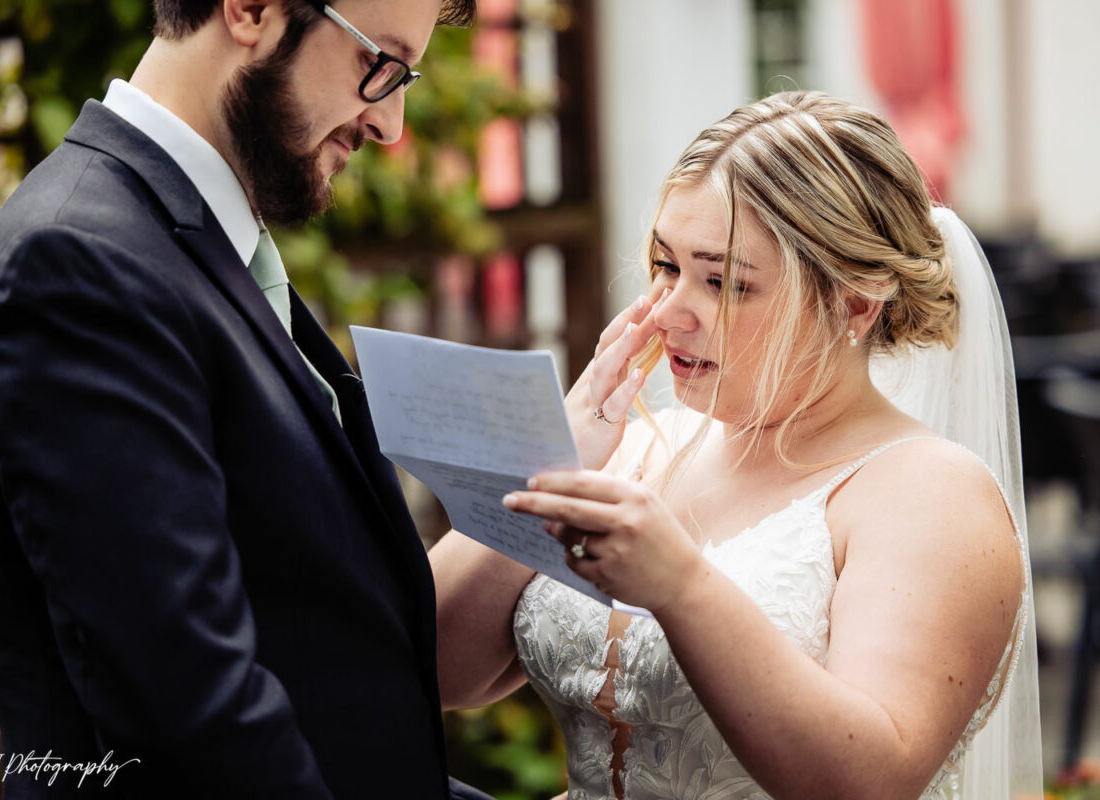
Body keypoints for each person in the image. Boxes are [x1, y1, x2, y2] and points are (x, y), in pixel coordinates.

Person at [0, 0, 493, 797]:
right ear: (250, 9)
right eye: (380, 65)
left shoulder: (185, 244)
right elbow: (200, 726)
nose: (390, 124)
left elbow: (321, 668)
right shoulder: (75, 270)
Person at [432, 91, 1042, 799]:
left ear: (853, 304)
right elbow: (436, 667)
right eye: (666, 267)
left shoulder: (930, 494)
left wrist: (682, 588)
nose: (669, 313)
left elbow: (869, 780)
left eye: (723, 282)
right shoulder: (634, 450)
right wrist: (550, 454)